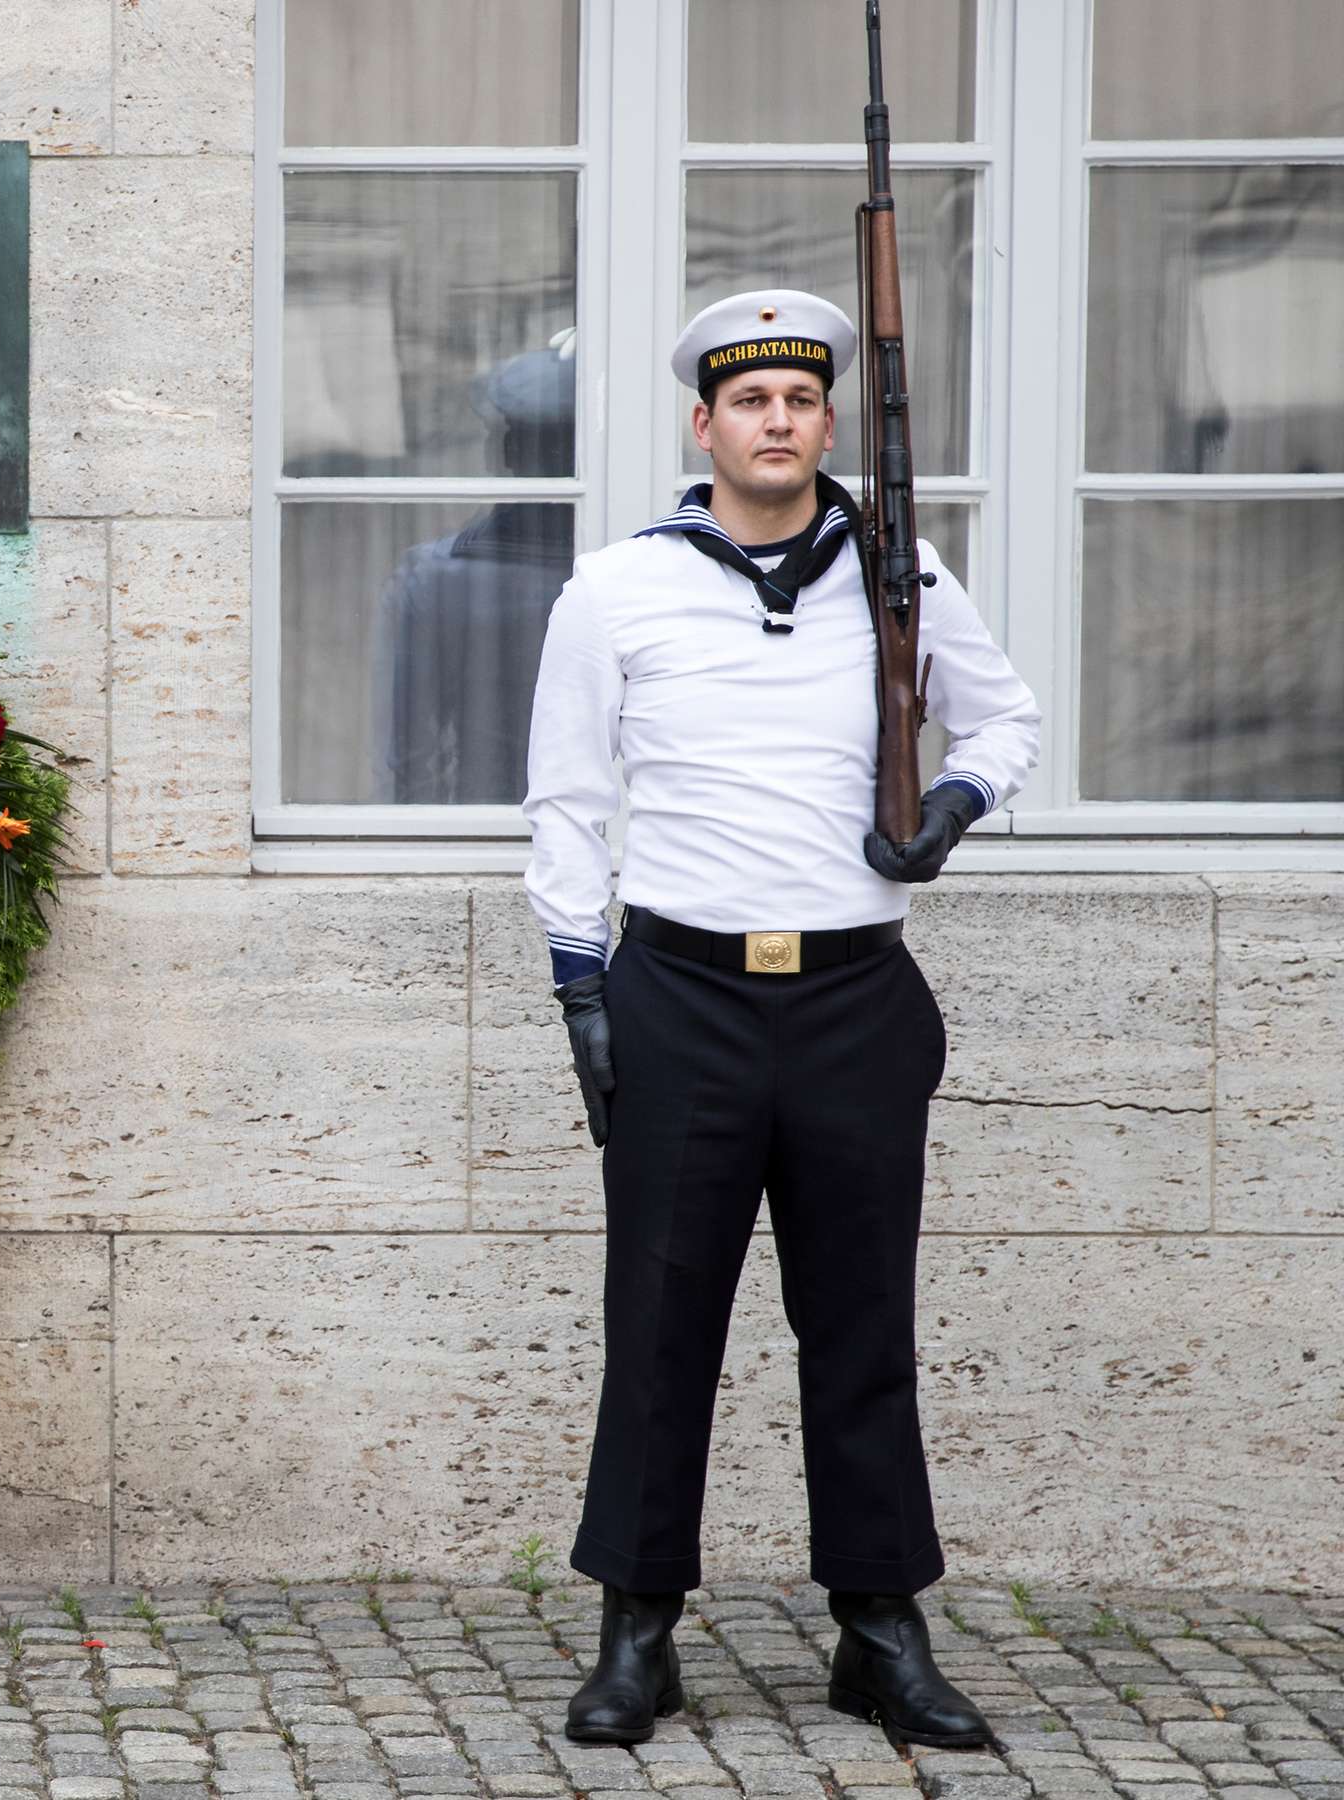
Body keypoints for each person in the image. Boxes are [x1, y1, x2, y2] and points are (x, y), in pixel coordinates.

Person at [521, 290, 1040, 1749]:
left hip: (856, 1000)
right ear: (706, 424)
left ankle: (880, 1629)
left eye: (801, 402)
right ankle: (638, 1631)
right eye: (749, 402)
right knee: (661, 1322)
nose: (777, 423)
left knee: (863, 1325)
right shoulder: (618, 590)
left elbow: (1008, 723)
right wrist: (580, 986)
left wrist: (952, 804)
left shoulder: (902, 575)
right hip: (678, 992)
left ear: (826, 420)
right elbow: (564, 802)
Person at [373, 335, 577, 803]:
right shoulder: (647, 575)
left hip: (478, 832)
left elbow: (407, 767)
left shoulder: (433, 577)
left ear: (504, 453)